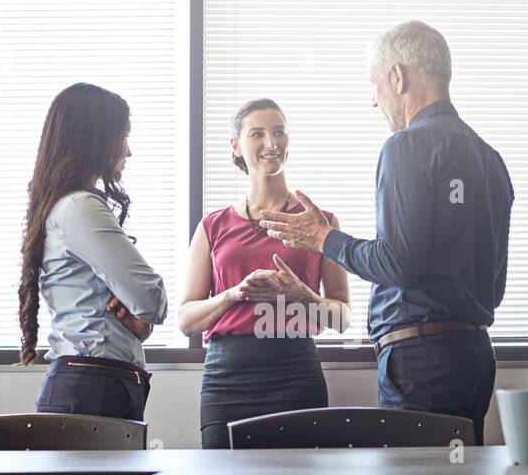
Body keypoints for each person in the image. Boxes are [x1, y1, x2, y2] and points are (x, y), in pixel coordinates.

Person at [259, 21, 513, 445]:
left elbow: (398, 263)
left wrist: (321, 237)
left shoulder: (405, 146)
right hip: (474, 359)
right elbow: (495, 289)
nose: (374, 101)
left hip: (420, 363)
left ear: (397, 77)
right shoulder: (491, 160)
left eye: (375, 85)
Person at [178, 99, 352, 449]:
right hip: (227, 379)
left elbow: (342, 319)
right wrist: (233, 294)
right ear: (236, 146)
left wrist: (302, 294)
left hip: (296, 373)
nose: (271, 143)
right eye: (257, 134)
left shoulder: (321, 221)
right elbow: (186, 321)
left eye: (279, 132)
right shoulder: (213, 225)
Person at [18, 83, 168, 421]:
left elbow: (142, 313)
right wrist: (142, 312)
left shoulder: (63, 205)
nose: (128, 152)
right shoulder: (80, 207)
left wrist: (140, 321)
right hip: (92, 386)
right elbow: (151, 299)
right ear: (96, 139)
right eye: (123, 137)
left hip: (92, 383)